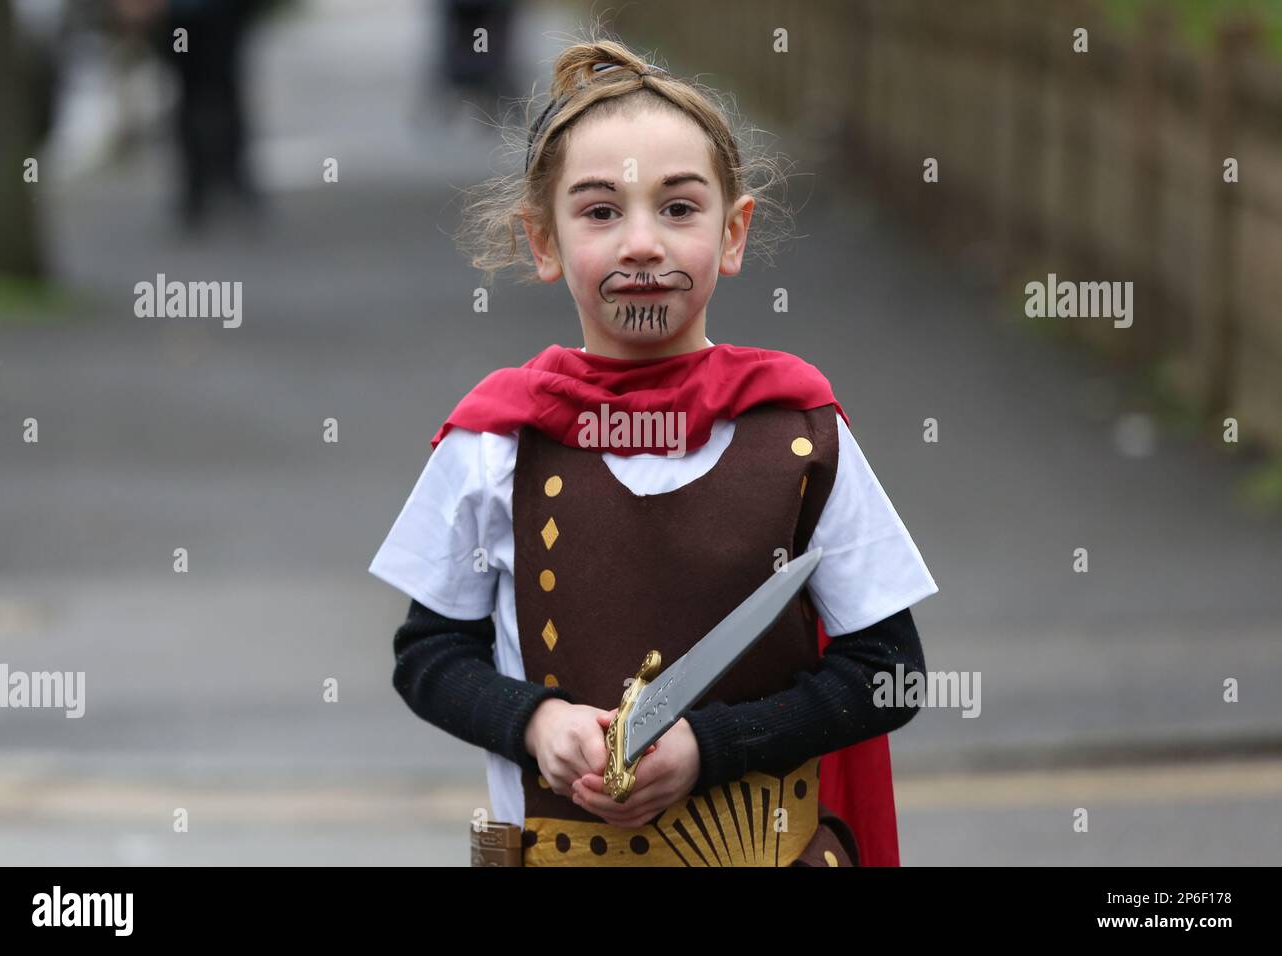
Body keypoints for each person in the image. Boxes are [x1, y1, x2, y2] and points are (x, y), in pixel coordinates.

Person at [370, 36, 938, 867]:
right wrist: (535, 722)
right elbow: (428, 658)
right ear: (543, 242)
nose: (642, 243)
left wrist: (714, 745)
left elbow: (891, 670)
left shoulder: (800, 432)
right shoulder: (495, 441)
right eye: (601, 212)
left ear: (734, 233)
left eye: (679, 209)